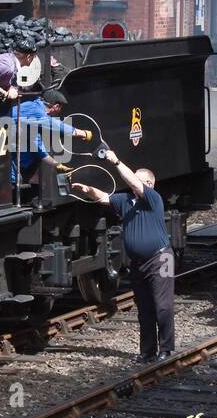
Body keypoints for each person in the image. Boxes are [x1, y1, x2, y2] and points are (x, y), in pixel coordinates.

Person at [72, 152, 174, 363]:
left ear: (149, 184)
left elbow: (136, 185)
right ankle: (147, 351)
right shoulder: (126, 201)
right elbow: (104, 198)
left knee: (162, 306)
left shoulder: (153, 199)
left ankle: (166, 348)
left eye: (138, 179)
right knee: (144, 307)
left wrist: (116, 161)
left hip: (161, 259)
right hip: (139, 262)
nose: (132, 182)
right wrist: (88, 190)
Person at [11, 88, 92, 183]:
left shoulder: (33, 120)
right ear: (56, 106)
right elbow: (54, 125)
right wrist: (82, 133)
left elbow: (37, 147)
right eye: (61, 107)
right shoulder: (35, 110)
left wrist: (57, 165)